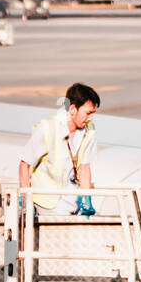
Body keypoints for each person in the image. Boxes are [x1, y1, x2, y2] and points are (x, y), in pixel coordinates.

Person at [18, 83, 99, 216]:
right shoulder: (47, 129)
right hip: (48, 202)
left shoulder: (89, 132)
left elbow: (84, 169)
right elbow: (24, 165)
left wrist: (86, 200)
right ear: (73, 109)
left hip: (73, 199)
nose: (91, 118)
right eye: (88, 113)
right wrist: (25, 201)